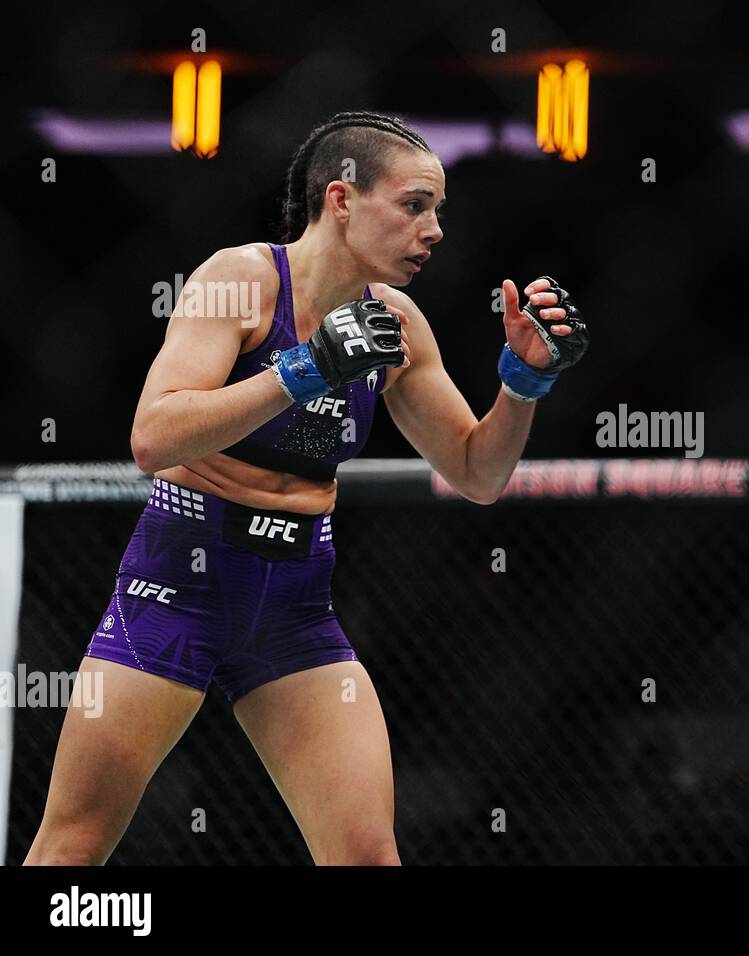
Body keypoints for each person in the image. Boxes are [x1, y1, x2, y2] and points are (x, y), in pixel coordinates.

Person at [24, 111, 588, 865]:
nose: (435, 231)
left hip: (295, 609)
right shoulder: (241, 281)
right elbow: (153, 438)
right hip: (176, 589)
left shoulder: (397, 325)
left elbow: (478, 474)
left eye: (439, 211)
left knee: (366, 857)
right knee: (72, 849)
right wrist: (304, 369)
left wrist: (523, 384)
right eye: (415, 204)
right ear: (342, 198)